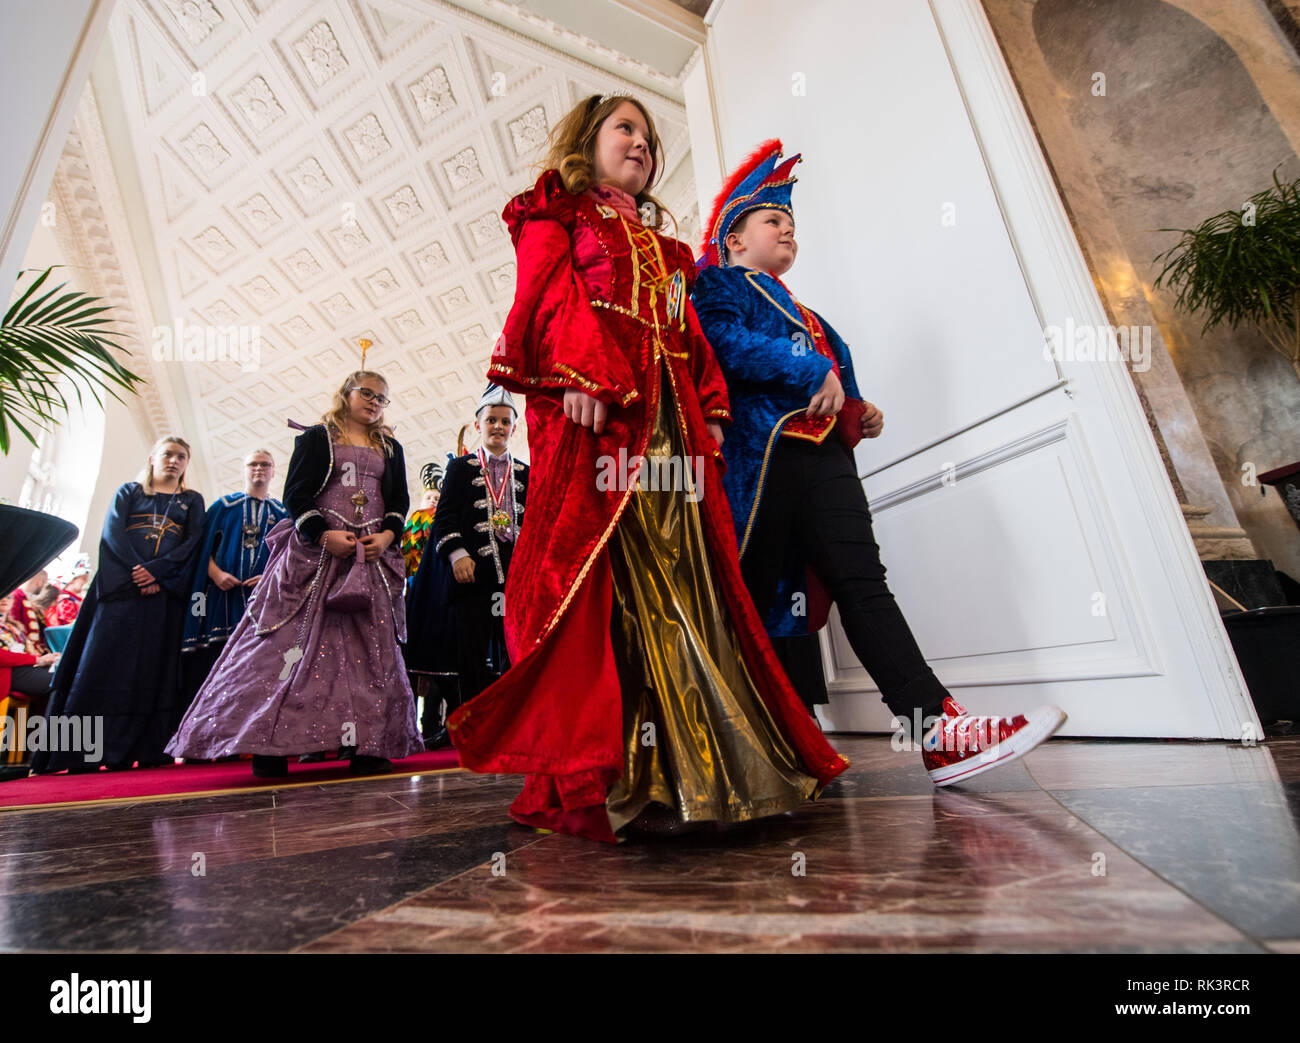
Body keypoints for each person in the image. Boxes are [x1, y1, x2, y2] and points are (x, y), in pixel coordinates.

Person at [445, 94, 848, 843]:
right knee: (614, 582)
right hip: (599, 417)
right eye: (625, 128)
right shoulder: (556, 214)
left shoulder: (668, 254)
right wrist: (578, 372)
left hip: (675, 430)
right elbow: (544, 297)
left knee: (687, 576)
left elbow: (690, 337)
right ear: (587, 141)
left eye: (650, 136)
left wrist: (714, 410)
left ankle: (715, 766)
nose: (641, 142)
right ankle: (628, 777)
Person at [691, 141, 1066, 786]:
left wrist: (860, 411)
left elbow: (841, 374)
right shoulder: (717, 283)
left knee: (863, 582)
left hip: (825, 458)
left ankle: (939, 732)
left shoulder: (813, 315)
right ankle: (728, 748)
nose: (787, 232)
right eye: (773, 222)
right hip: (760, 458)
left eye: (792, 226)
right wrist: (808, 367)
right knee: (745, 597)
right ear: (732, 237)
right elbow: (721, 343)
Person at [167, 368, 424, 778]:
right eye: (367, 393)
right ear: (346, 393)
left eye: (382, 398)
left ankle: (368, 745)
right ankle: (268, 748)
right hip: (315, 557)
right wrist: (323, 535)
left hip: (369, 558)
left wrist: (389, 534)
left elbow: (398, 500)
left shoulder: (391, 447)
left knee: (369, 653)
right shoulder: (316, 437)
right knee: (285, 647)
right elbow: (296, 495)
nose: (374, 402)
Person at [31, 437, 205, 773]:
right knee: (99, 665)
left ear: (186, 464)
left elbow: (192, 543)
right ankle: (78, 754)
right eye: (168, 454)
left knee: (152, 671)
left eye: (182, 456)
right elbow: (113, 535)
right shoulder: (129, 492)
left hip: (162, 598)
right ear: (153, 458)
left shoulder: (192, 501)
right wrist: (137, 574)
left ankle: (145, 750)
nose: (174, 461)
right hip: (119, 595)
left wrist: (158, 574)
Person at [425, 386, 528, 746]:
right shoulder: (460, 467)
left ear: (514, 428)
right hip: (473, 577)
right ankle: (471, 727)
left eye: (505, 421)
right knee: (470, 653)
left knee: (514, 654)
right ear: (477, 425)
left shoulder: (526, 472)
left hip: (515, 580)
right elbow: (445, 517)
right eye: (491, 420)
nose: (497, 427)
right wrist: (457, 554)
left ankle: (511, 725)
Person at [180, 449, 288, 708]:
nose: (259, 469)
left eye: (265, 464)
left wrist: (268, 577)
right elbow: (200, 547)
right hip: (221, 597)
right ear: (244, 469)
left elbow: (289, 557)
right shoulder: (222, 506)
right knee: (216, 657)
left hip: (264, 600)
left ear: (273, 471)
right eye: (253, 464)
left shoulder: (283, 513)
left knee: (258, 661)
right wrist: (216, 573)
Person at [8, 571, 49, 656]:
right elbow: (14, 625)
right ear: (39, 582)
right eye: (45, 583)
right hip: (24, 652)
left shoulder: (24, 598)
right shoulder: (16, 596)